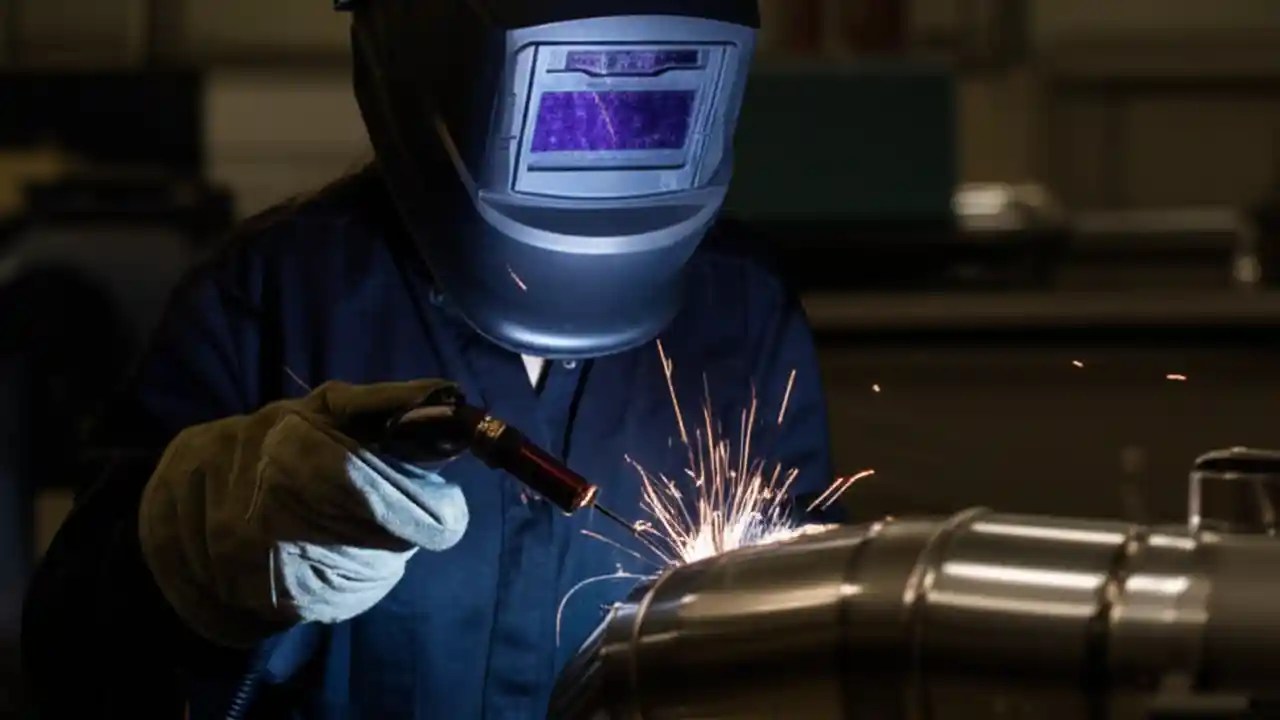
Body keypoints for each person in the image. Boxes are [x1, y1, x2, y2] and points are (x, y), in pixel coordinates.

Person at [21, 1, 840, 717]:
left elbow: (800, 633)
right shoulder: (279, 294)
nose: (607, 137)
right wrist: (202, 551)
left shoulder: (740, 314)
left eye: (650, 109)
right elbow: (74, 657)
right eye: (575, 108)